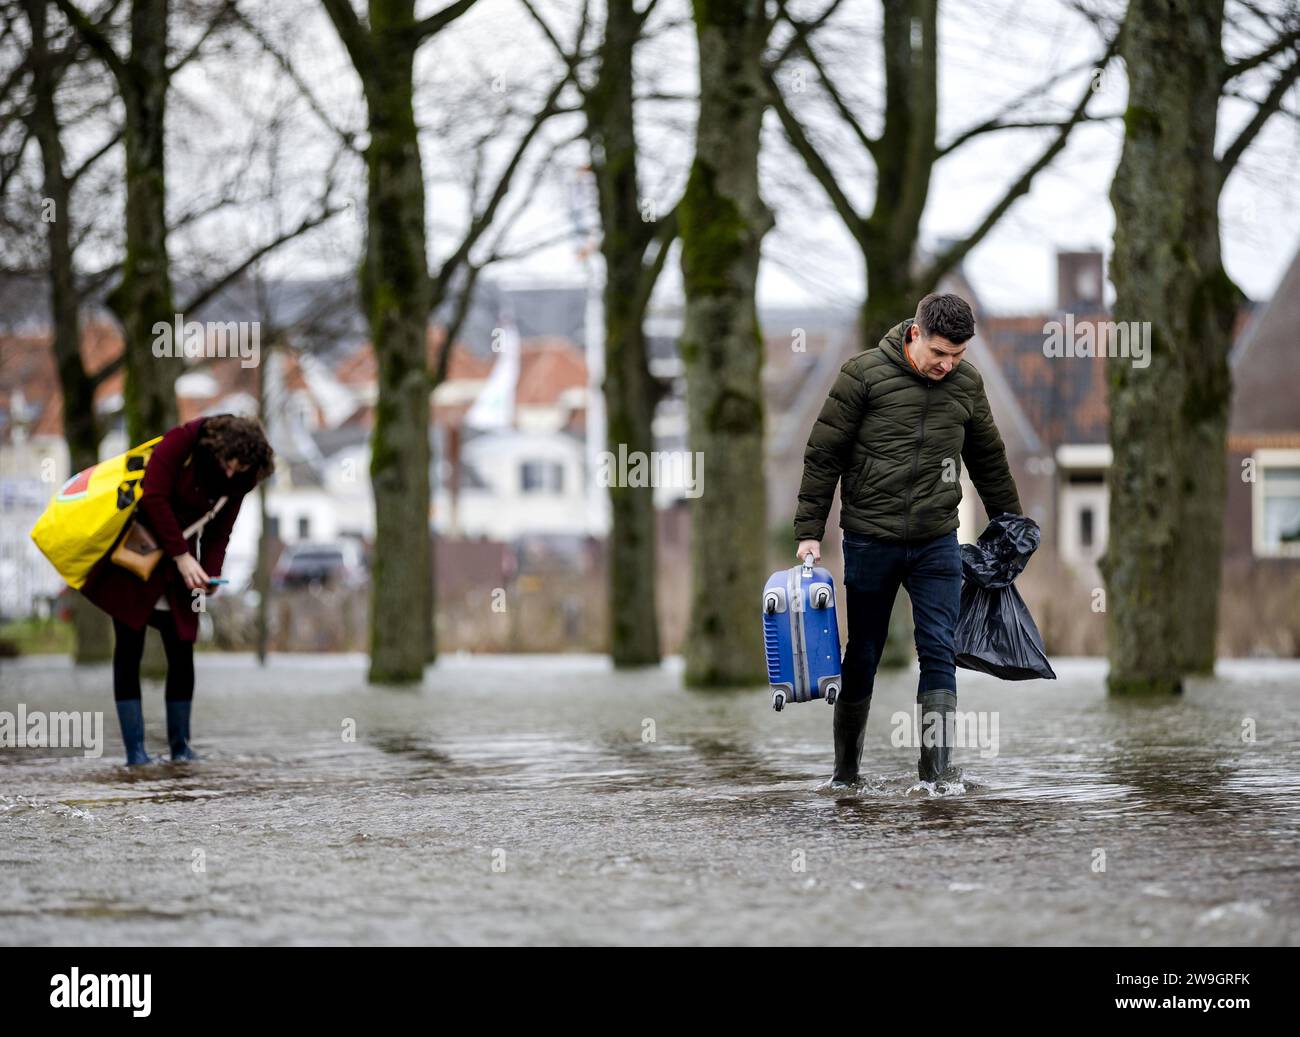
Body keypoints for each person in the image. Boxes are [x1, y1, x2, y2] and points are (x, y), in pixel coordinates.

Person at [793, 293, 1022, 787]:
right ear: (914, 334)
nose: (948, 365)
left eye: (958, 356)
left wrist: (1011, 522)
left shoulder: (967, 385)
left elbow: (988, 458)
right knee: (864, 652)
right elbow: (823, 454)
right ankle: (845, 775)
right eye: (940, 353)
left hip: (936, 540)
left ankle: (935, 780)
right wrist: (809, 531)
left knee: (939, 650)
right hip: (869, 539)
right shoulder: (862, 375)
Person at [80, 415, 274, 765]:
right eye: (229, 463)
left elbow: (220, 532)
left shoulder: (242, 478)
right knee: (129, 647)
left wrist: (210, 575)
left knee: (183, 648)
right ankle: (135, 752)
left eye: (241, 468)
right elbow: (153, 497)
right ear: (218, 448)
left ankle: (181, 749)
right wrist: (183, 556)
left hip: (182, 569)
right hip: (138, 554)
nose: (232, 473)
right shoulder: (184, 440)